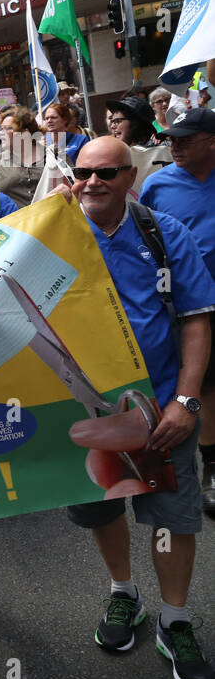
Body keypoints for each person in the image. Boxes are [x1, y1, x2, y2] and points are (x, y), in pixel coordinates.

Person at [55, 136, 215, 679]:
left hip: (162, 413)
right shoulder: (51, 238)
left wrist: (187, 402)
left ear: (131, 177)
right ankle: (125, 593)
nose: (92, 182)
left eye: (107, 173)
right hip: (88, 415)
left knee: (170, 517)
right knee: (104, 510)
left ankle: (174, 618)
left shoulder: (165, 234)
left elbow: (196, 318)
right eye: (83, 172)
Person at [138, 108, 215, 516]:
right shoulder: (159, 184)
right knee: (205, 384)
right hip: (191, 304)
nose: (175, 144)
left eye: (186, 138)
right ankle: (212, 465)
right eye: (171, 138)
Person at [0, 105, 46, 208]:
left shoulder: (53, 156)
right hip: (15, 222)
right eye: (1, 129)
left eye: (9, 129)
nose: (1, 134)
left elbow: (72, 187)